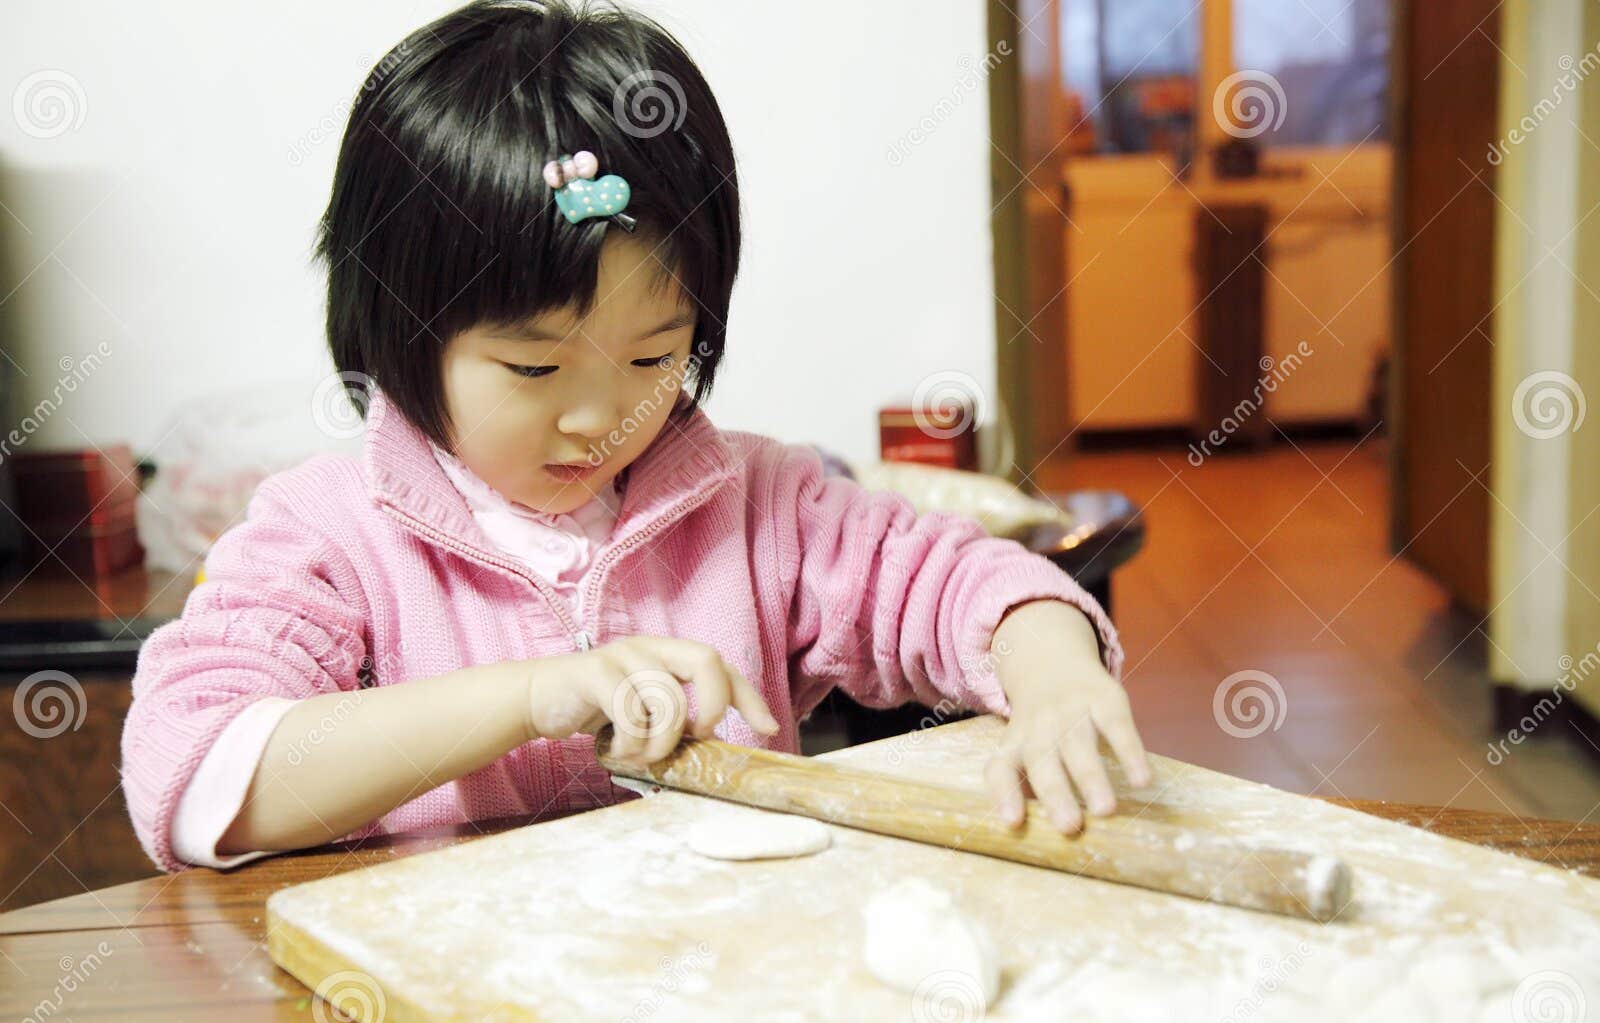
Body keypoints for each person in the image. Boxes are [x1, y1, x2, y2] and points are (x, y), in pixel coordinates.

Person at [120, 0, 1152, 872]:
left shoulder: (756, 504)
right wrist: (531, 696)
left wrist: (1052, 671)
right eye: (532, 367)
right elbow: (196, 769)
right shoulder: (326, 535)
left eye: (654, 357)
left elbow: (957, 579)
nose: (597, 417)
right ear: (396, 328)